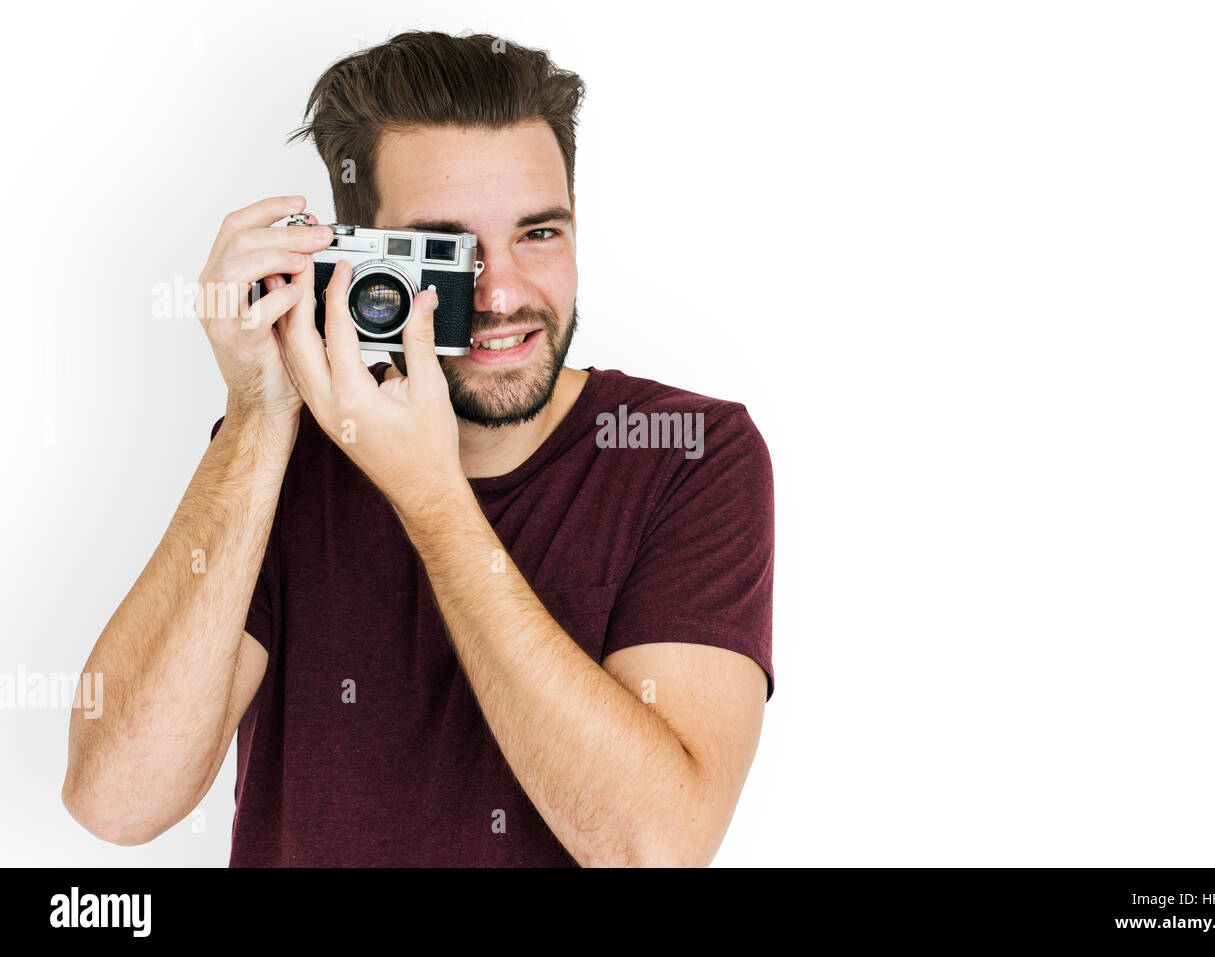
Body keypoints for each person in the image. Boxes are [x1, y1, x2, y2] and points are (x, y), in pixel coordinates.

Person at [62, 30, 774, 867]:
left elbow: (652, 846)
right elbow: (117, 801)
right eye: (446, 250)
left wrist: (434, 500)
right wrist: (256, 412)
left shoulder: (689, 453)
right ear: (358, 260)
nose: (501, 293)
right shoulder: (280, 456)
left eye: (539, 234)